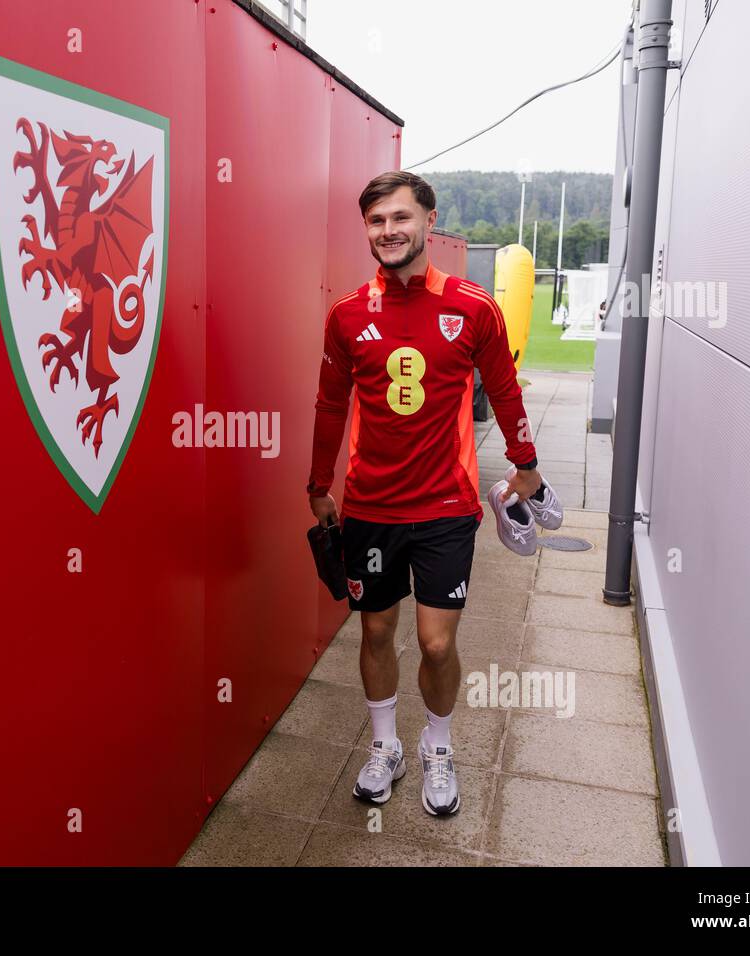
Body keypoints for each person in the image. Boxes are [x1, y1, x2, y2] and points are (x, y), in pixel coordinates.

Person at [306, 170, 553, 817]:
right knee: (376, 632)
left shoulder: (473, 307)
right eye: (376, 221)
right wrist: (316, 483)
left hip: (444, 507)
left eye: (399, 217)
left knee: (438, 643)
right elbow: (330, 404)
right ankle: (384, 745)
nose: (388, 230)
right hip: (369, 510)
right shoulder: (347, 315)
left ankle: (436, 747)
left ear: (427, 220)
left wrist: (526, 464)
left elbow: (505, 390)